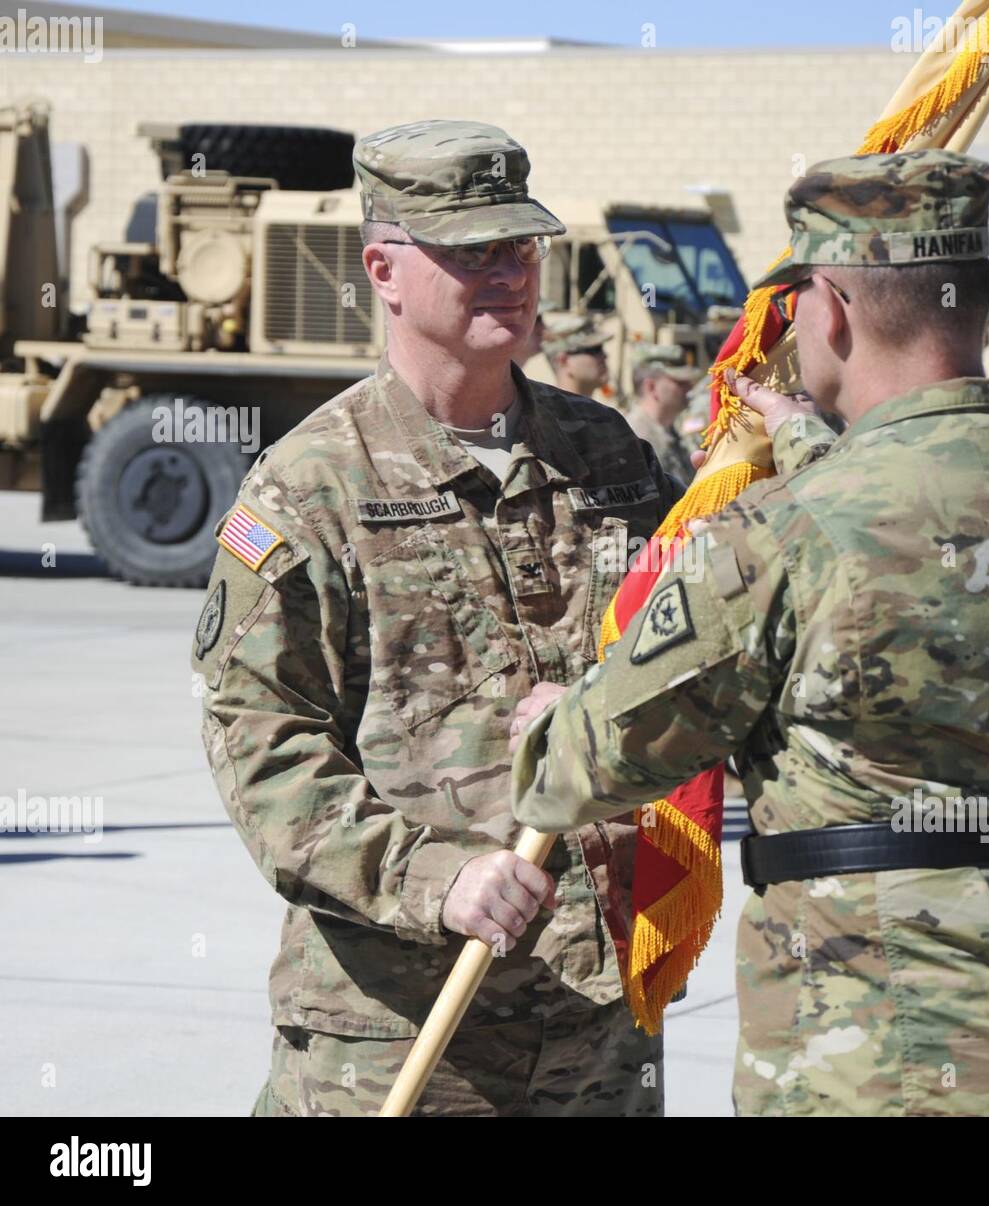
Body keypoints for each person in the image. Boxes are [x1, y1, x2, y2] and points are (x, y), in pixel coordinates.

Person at [509, 150, 989, 1117]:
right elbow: (920, 518)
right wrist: (807, 439)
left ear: (830, 310)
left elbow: (586, 766)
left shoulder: (776, 536)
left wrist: (551, 720)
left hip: (878, 1051)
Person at [192, 119, 683, 1117]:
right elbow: (260, 741)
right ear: (383, 268)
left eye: (519, 247)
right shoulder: (308, 486)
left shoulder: (610, 456)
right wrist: (432, 877)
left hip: (600, 1029)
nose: (505, 273)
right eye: (469, 252)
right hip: (404, 1036)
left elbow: (684, 657)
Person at [625, 344, 702, 489]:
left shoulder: (670, 432)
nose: (689, 387)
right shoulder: (636, 437)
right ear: (651, 387)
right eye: (680, 382)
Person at [543, 315, 616, 402]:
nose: (604, 355)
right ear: (563, 361)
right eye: (594, 350)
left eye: (601, 348)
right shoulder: (550, 413)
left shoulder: (597, 413)